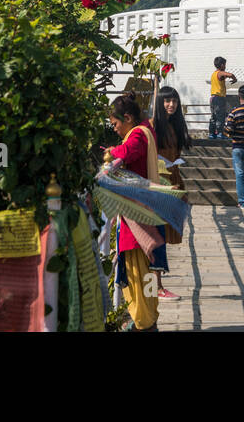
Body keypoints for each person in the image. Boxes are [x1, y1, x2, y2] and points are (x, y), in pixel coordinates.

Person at [102, 92, 162, 331]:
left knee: (136, 273)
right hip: (146, 212)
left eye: (116, 124)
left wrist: (111, 152)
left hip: (136, 217)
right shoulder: (147, 128)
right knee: (147, 272)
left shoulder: (137, 134)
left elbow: (127, 152)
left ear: (127, 118)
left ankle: (143, 322)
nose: (115, 129)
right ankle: (149, 319)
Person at [153, 86, 191, 300]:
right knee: (156, 237)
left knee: (163, 236)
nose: (171, 105)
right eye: (167, 101)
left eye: (174, 101)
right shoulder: (153, 127)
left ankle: (157, 285)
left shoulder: (174, 126)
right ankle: (155, 287)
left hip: (173, 183)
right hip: (158, 186)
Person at [208, 56, 237, 139]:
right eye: (225, 65)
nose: (225, 67)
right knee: (220, 116)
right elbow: (230, 74)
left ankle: (211, 133)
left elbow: (224, 77)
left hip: (213, 98)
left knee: (213, 117)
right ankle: (220, 133)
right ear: (221, 65)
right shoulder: (220, 72)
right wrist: (234, 79)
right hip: (219, 98)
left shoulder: (214, 74)